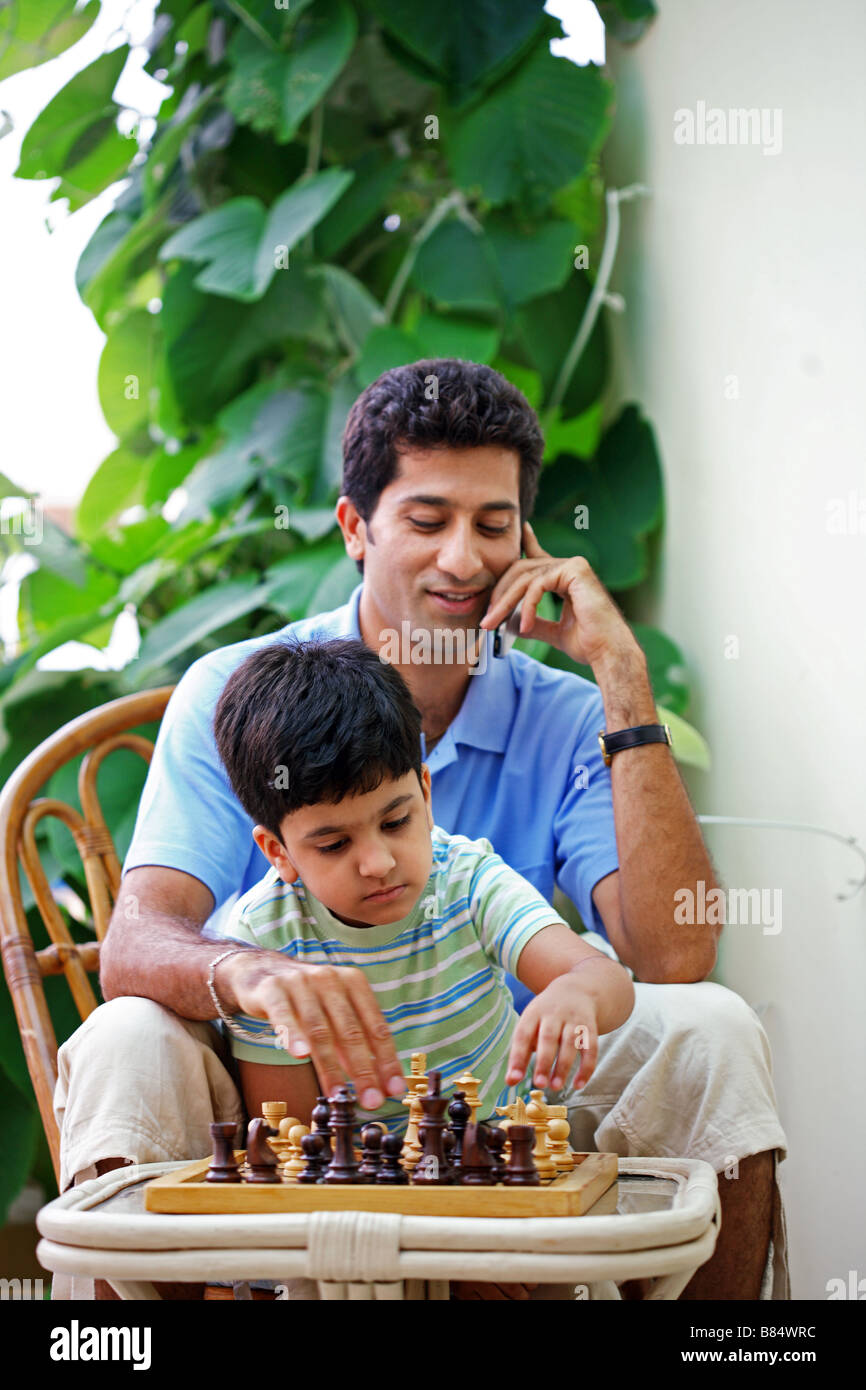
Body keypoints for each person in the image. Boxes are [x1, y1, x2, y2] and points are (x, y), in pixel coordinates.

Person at [54, 358, 788, 1300]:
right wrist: (256, 975)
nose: (464, 559)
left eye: (493, 525)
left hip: (505, 1094)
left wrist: (622, 677)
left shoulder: (563, 717)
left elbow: (674, 957)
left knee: (713, 1027)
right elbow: (136, 943)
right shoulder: (235, 697)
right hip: (278, 1091)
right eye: (428, 520)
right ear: (356, 527)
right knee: (125, 1038)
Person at [210, 637, 634, 1135]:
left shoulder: (467, 880)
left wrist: (578, 991)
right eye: (333, 845)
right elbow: (291, 1137)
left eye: (395, 822)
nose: (377, 862)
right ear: (278, 852)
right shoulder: (263, 942)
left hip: (497, 1155)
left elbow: (607, 979)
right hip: (361, 1182)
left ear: (425, 795)